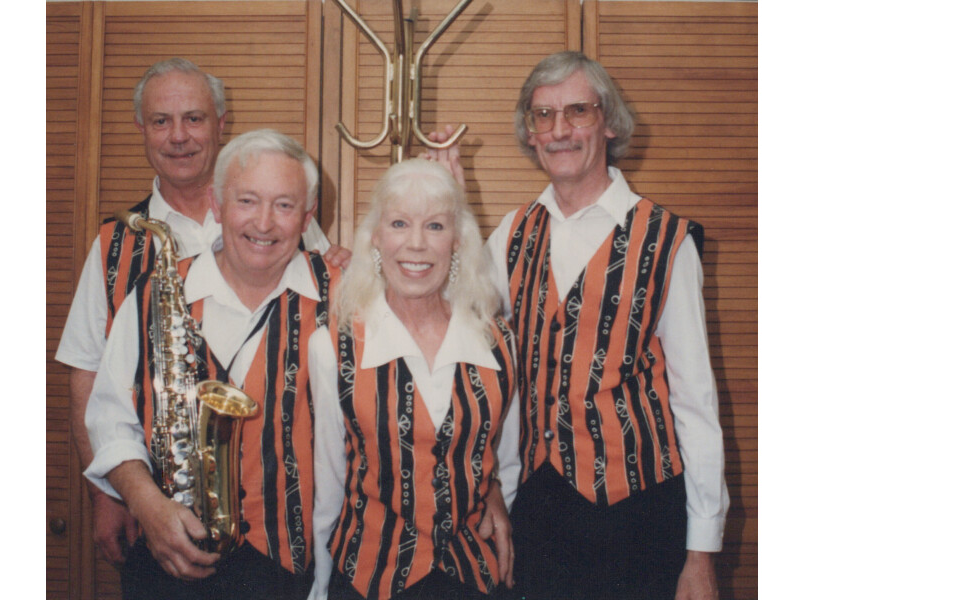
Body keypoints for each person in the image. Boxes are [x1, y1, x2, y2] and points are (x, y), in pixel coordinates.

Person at [55, 58, 346, 571]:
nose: (178, 136)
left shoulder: (274, 217)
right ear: (142, 129)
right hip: (166, 521)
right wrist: (112, 495)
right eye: (161, 121)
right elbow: (89, 377)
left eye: (193, 118)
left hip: (285, 533)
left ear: (220, 123)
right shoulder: (115, 244)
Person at [482, 51, 730, 600]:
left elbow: (695, 403)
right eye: (543, 115)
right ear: (530, 132)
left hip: (638, 517)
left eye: (578, 111)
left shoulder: (667, 240)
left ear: (609, 122)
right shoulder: (510, 234)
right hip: (537, 511)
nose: (559, 130)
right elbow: (457, 333)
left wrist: (701, 554)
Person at [308, 159, 517, 600]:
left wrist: (496, 500)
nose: (417, 244)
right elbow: (328, 483)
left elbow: (506, 459)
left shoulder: (499, 343)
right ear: (376, 237)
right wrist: (321, 587)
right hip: (367, 579)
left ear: (457, 241)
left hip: (471, 580)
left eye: (435, 226)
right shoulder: (332, 346)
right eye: (399, 223)